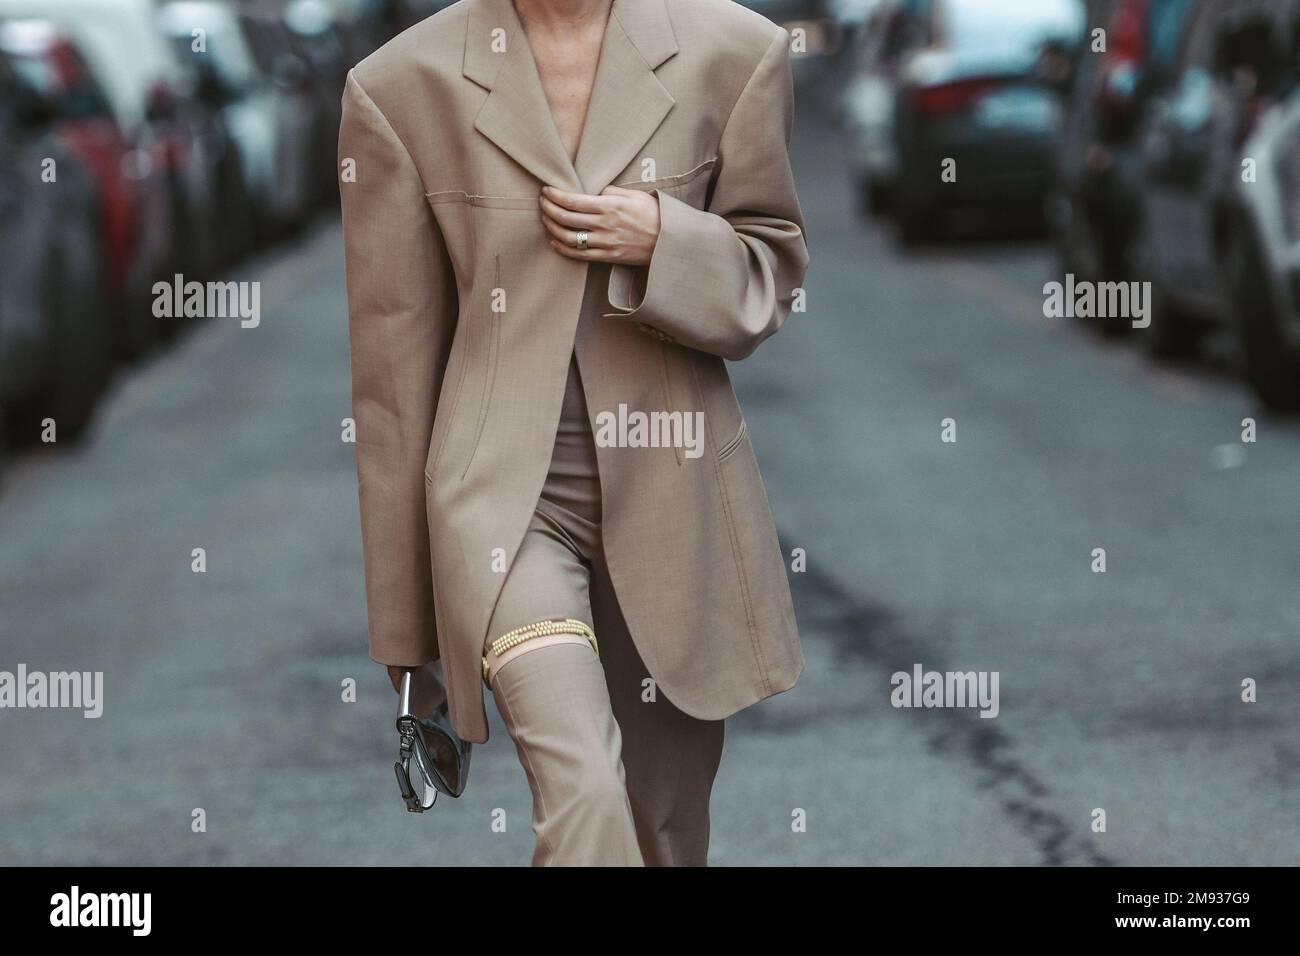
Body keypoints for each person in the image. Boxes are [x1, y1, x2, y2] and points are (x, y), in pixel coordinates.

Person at [338, 0, 810, 865]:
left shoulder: (734, 51)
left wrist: (659, 237)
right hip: (503, 509)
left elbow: (768, 273)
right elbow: (393, 396)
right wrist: (407, 641)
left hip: (675, 495)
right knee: (584, 788)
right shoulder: (401, 86)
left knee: (661, 830)